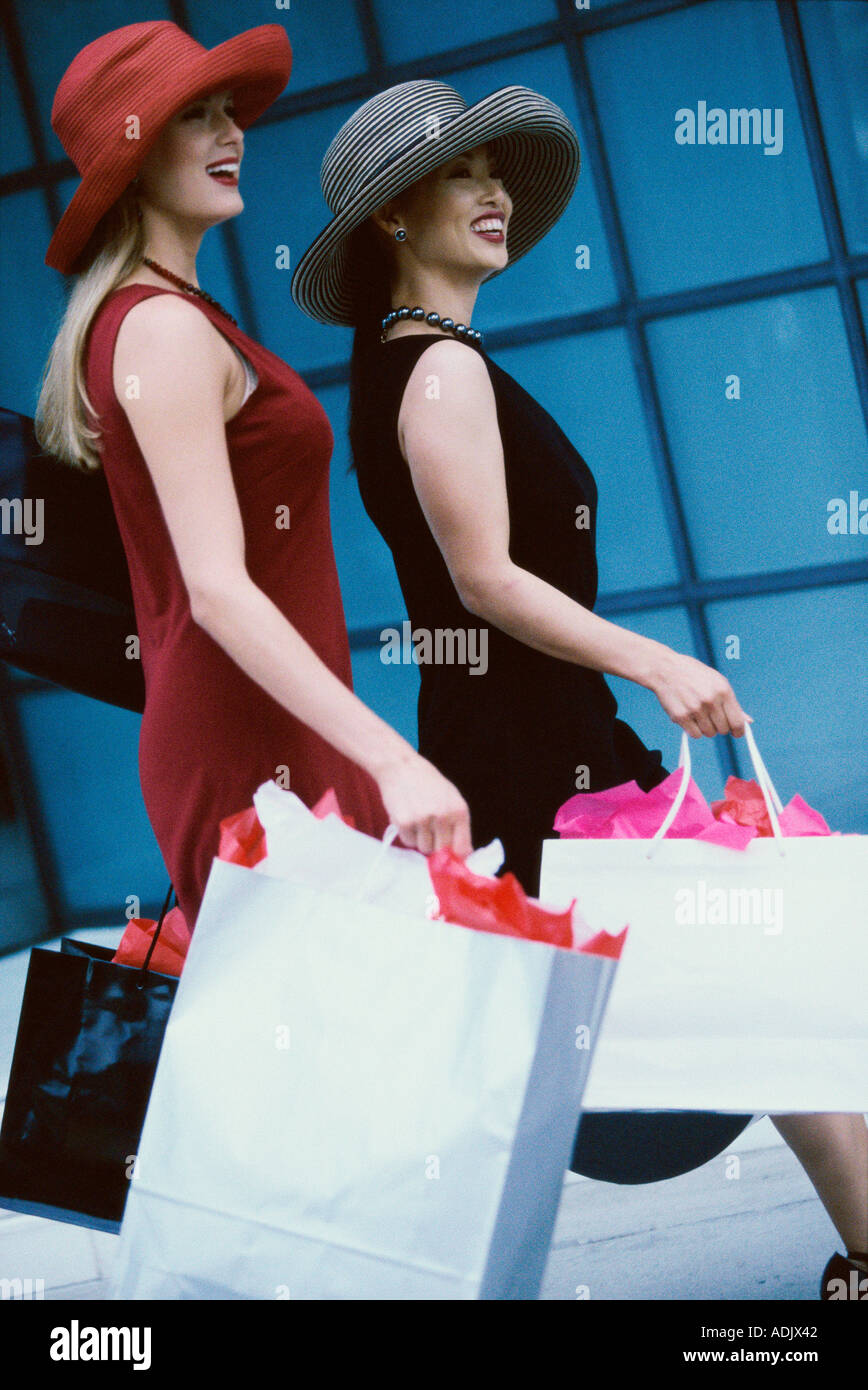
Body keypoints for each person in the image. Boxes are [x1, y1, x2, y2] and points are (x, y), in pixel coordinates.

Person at [290, 78, 868, 1296]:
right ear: (393, 215)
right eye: (463, 174)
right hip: (536, 760)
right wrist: (658, 659)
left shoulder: (427, 365)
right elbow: (486, 581)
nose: (494, 193)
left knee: (615, 1037)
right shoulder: (436, 373)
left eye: (498, 170)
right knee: (707, 1002)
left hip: (537, 746)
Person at [35, 23, 471, 939]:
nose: (232, 134)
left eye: (228, 111)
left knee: (365, 1044)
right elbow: (217, 590)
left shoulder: (172, 316)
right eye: (196, 117)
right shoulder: (159, 328)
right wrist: (392, 757)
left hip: (283, 723)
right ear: (137, 152)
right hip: (246, 737)